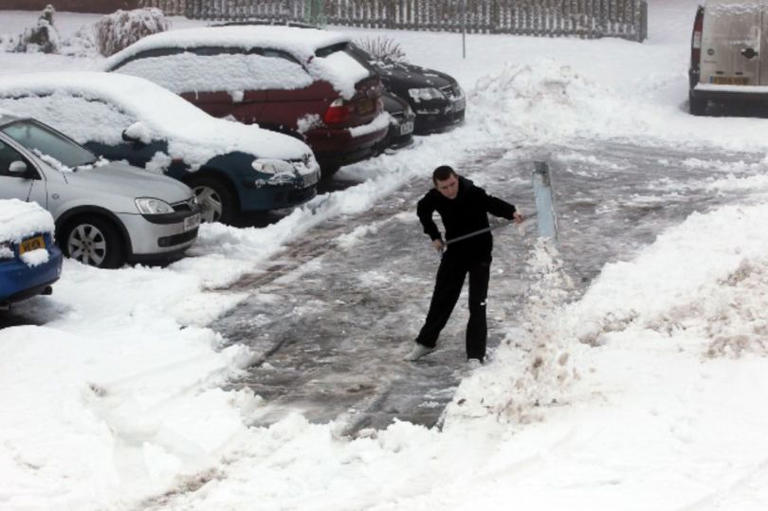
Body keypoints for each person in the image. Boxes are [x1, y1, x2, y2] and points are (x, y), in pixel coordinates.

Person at [405, 165, 523, 364]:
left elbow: (493, 204)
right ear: (437, 188)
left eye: (452, 184)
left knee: (477, 303)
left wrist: (512, 213)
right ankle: (425, 343)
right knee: (442, 298)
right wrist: (434, 236)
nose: (450, 190)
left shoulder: (473, 193)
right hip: (456, 252)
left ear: (457, 178)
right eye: (444, 188)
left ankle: (475, 355)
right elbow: (422, 211)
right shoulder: (433, 198)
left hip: (480, 252)